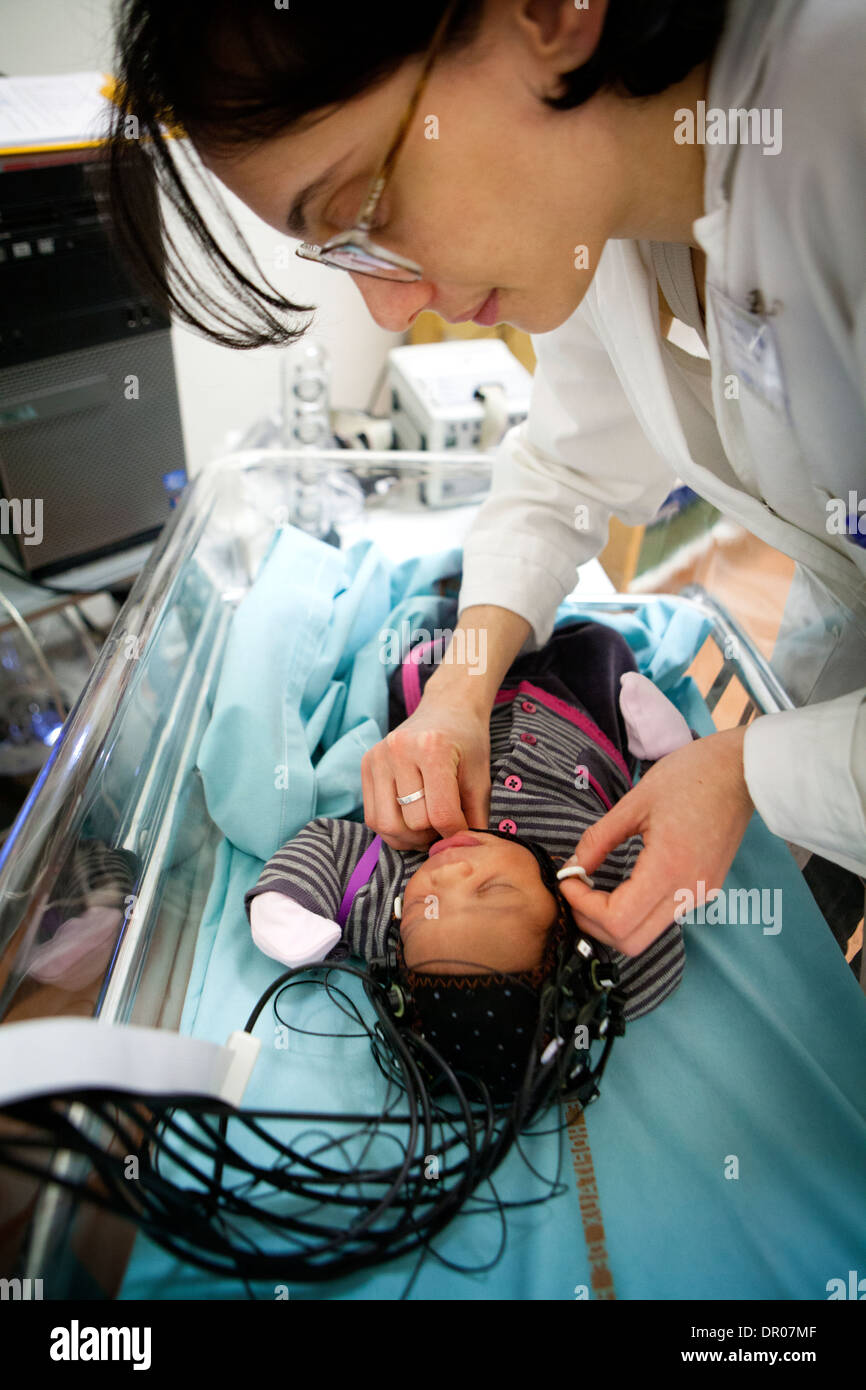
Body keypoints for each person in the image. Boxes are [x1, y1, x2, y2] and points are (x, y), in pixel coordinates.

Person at [107, 0, 866, 968]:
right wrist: (459, 686)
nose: (387, 302)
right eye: (339, 249)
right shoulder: (611, 214)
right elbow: (563, 468)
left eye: (366, 207)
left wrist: (746, 770)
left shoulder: (835, 133)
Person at [245, 620, 694, 1095]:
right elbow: (658, 927)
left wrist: (285, 902)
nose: (450, 873)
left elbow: (329, 845)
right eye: (492, 889)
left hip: (443, 710)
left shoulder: (385, 909)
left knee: (421, 660)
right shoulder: (599, 894)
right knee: (601, 647)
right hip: (579, 710)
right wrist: (678, 764)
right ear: (568, 933)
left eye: (422, 908)